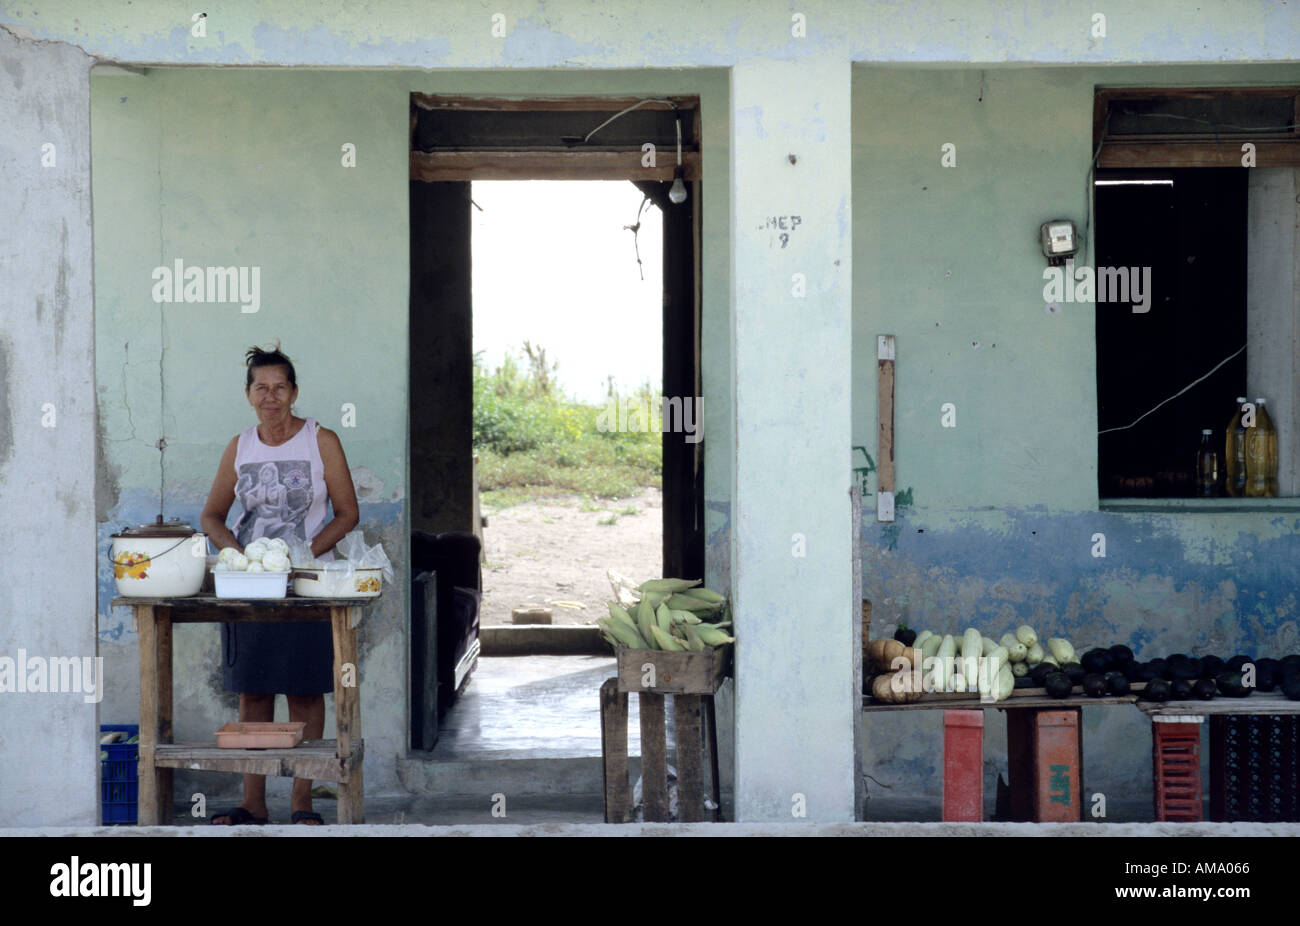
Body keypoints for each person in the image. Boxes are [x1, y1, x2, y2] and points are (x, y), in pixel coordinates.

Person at [200, 343, 359, 825]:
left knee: (305, 692)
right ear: (249, 394)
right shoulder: (240, 446)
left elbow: (348, 513)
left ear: (294, 392)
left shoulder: (319, 439)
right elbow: (211, 515)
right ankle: (253, 802)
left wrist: (303, 556)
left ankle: (302, 802)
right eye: (260, 388)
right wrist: (237, 553)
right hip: (249, 588)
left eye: (280, 387)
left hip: (306, 586)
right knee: (254, 693)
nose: (271, 397)